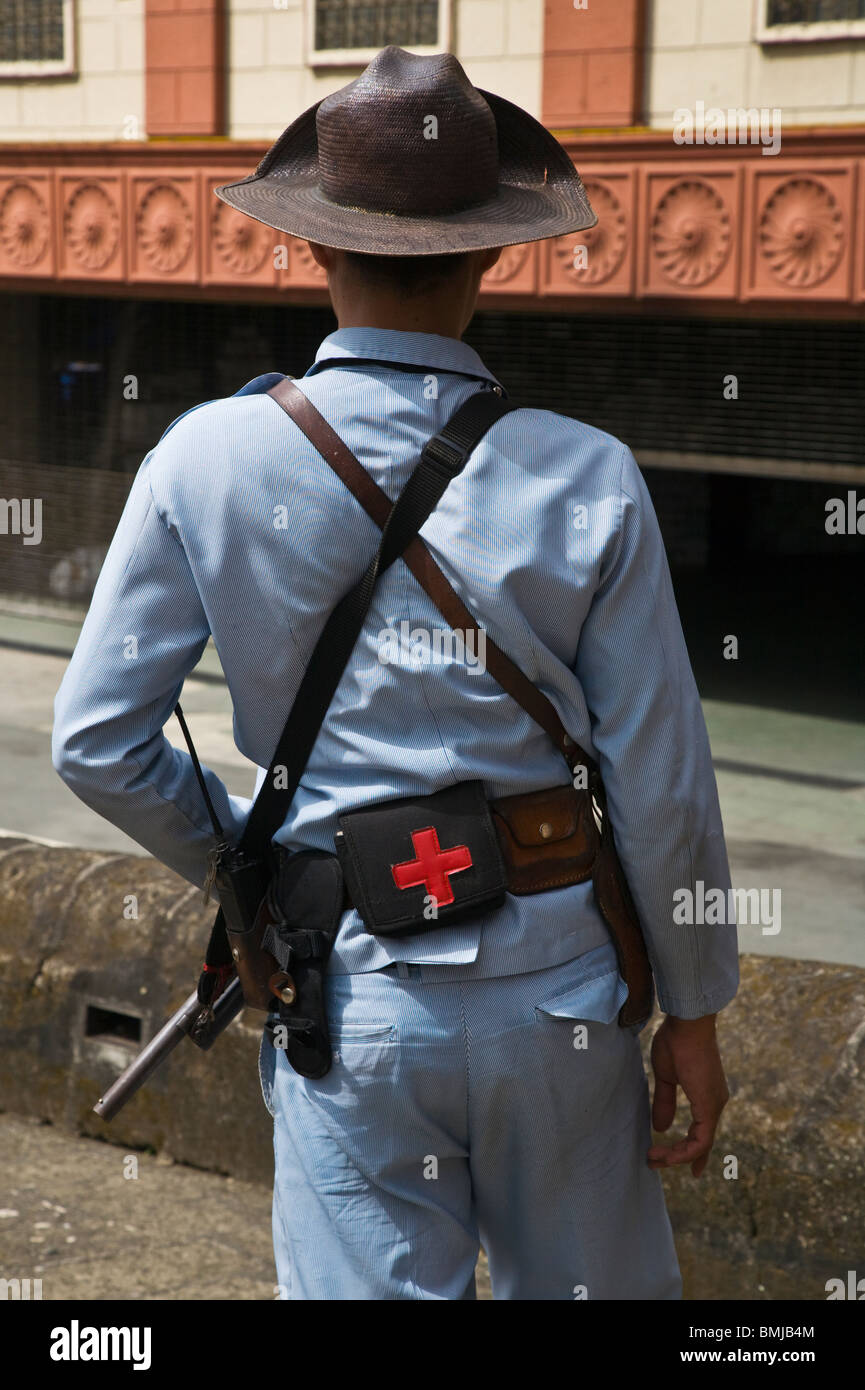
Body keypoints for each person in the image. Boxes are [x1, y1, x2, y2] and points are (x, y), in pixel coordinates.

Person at [53, 46, 738, 1300]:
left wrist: (249, 869)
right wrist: (692, 1010)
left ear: (315, 248)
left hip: (346, 990)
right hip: (563, 997)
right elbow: (663, 775)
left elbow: (96, 742)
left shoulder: (203, 458)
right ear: (492, 255)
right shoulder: (590, 473)